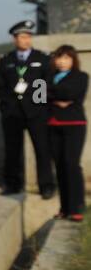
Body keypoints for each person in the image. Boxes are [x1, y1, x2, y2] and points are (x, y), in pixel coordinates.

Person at [0, 19, 56, 197]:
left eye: (29, 36)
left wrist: (40, 107)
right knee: (12, 151)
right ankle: (13, 184)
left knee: (42, 150)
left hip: (36, 113)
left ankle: (46, 185)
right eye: (23, 37)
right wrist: (6, 108)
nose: (26, 40)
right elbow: (2, 87)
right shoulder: (6, 60)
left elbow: (44, 84)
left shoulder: (42, 58)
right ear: (15, 39)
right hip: (13, 114)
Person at [45, 44, 87, 221]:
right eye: (59, 57)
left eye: (67, 58)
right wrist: (56, 96)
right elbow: (38, 97)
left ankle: (76, 208)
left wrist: (52, 93)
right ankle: (64, 208)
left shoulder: (82, 76)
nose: (62, 62)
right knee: (60, 166)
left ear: (73, 60)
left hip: (74, 125)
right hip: (53, 124)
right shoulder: (48, 76)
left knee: (71, 164)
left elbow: (72, 93)